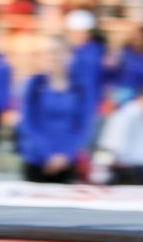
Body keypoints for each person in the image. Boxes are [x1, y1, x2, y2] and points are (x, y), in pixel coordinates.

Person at [17, 37, 95, 183]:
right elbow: (29, 124)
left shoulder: (80, 89)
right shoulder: (35, 85)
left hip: (67, 163)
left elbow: (83, 126)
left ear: (69, 55)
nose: (53, 57)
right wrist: (47, 155)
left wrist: (66, 155)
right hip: (37, 162)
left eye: (58, 52)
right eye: (49, 53)